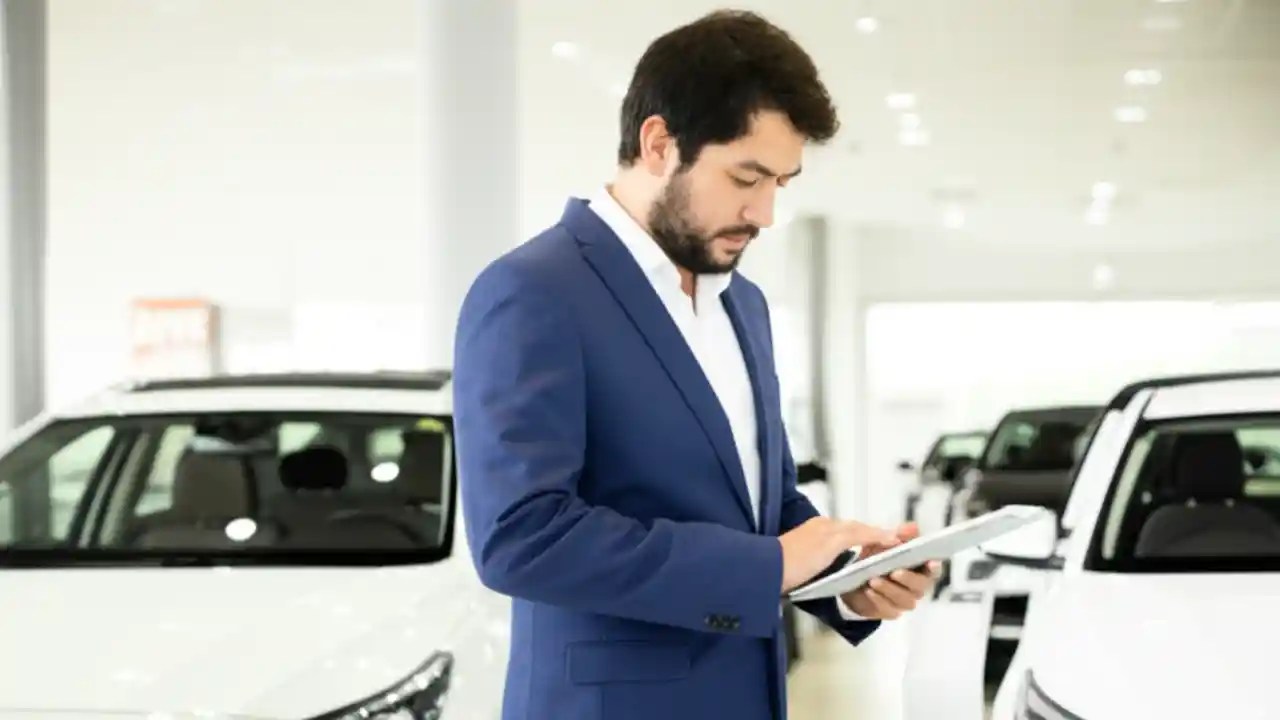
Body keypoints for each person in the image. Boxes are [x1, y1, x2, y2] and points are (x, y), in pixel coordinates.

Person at [453, 10, 938, 720]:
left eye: (782, 182)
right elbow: (522, 538)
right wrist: (772, 566)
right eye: (746, 176)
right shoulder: (534, 291)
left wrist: (845, 577)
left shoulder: (746, 306)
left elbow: (760, 506)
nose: (766, 212)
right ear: (658, 144)